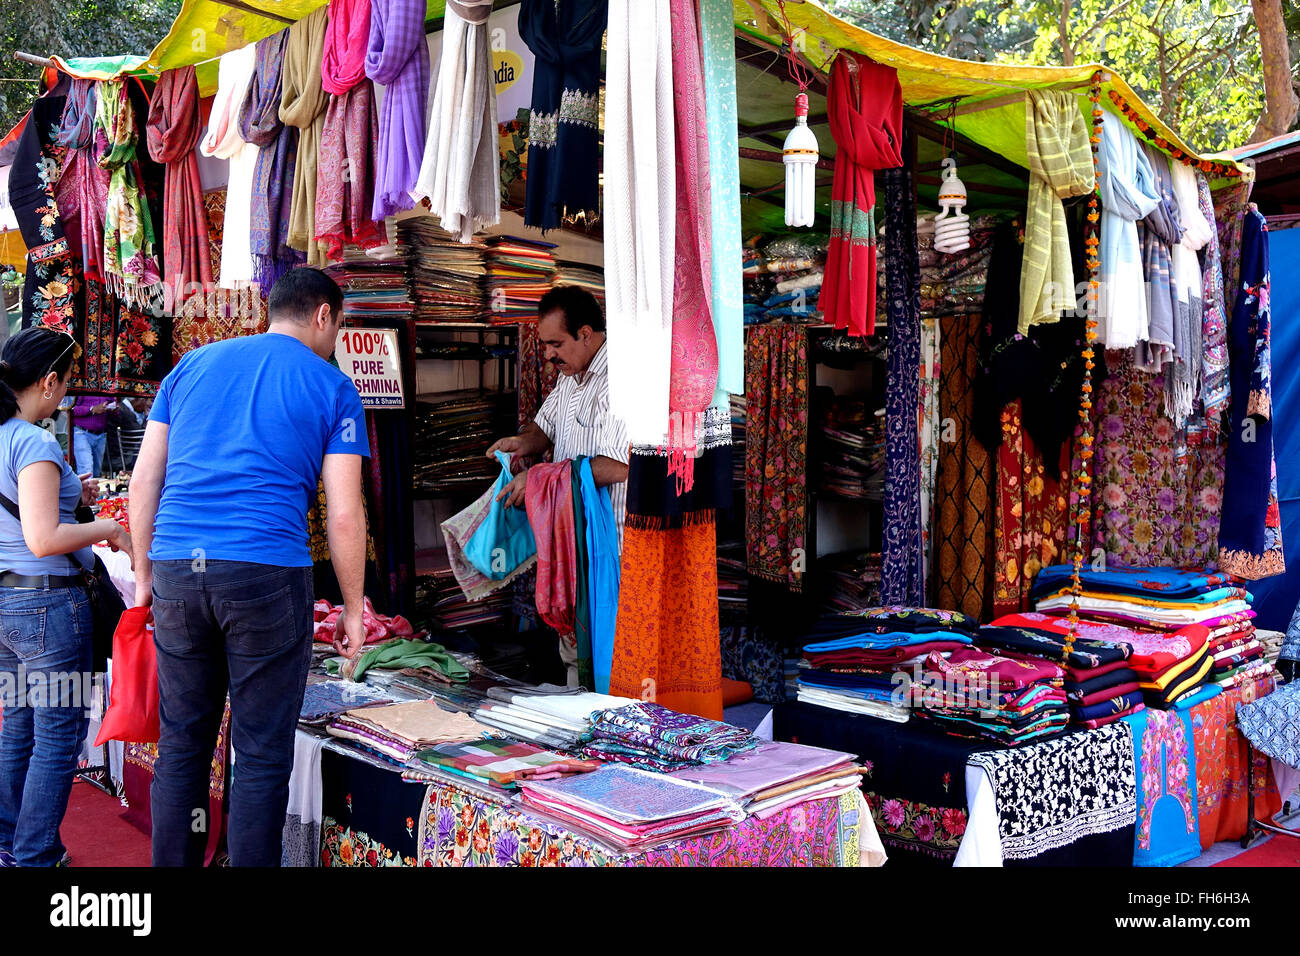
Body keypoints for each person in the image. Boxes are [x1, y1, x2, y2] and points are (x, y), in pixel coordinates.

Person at [130, 268, 370, 867]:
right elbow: (343, 512)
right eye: (337, 326)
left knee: (183, 743)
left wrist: (142, 575)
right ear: (323, 316)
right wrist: (352, 606)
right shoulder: (333, 387)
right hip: (266, 571)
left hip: (177, 566)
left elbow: (145, 479)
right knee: (260, 751)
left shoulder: (189, 367)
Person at [0, 327, 132, 867]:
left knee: (20, 728)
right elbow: (44, 538)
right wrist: (107, 529)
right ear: (49, 381)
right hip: (49, 606)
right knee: (55, 738)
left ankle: (11, 845)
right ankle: (33, 856)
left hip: (9, 605)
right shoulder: (31, 440)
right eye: (68, 380)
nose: (68, 392)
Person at [486, 285, 629, 683]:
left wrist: (539, 478)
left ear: (586, 334)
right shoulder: (571, 376)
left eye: (555, 343)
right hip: (571, 546)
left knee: (608, 666)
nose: (548, 354)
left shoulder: (620, 379)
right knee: (574, 660)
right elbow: (543, 429)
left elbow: (620, 466)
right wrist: (521, 444)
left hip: (609, 553)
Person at [71, 394, 115, 477]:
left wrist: (113, 410)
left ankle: (91, 489)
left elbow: (113, 405)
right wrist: (92, 409)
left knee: (96, 471)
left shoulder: (106, 386)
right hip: (82, 432)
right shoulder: (82, 386)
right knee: (86, 469)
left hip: (101, 434)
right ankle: (85, 489)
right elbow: (71, 409)